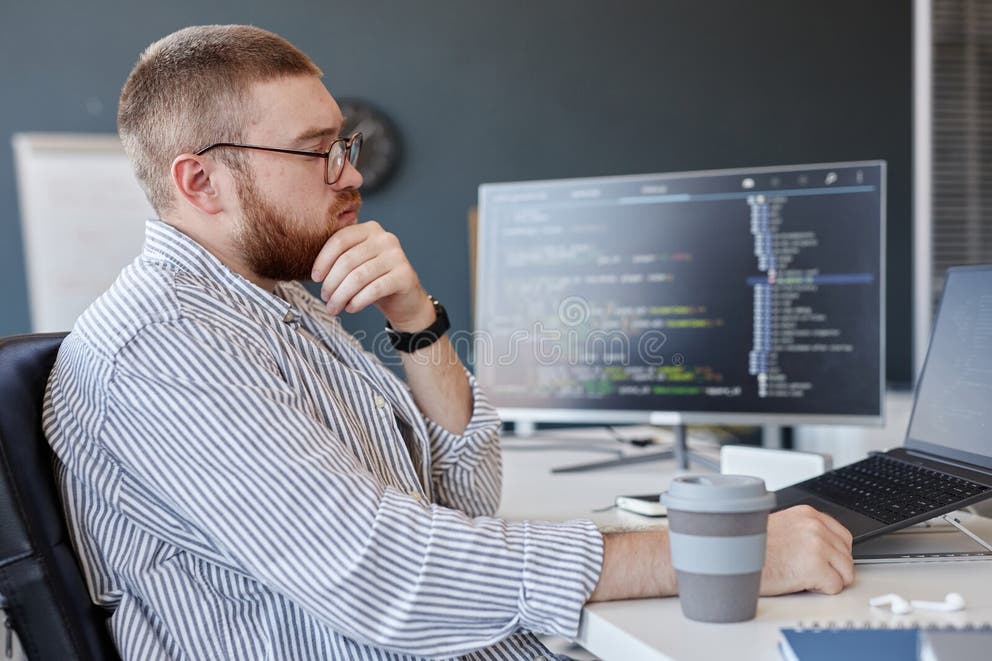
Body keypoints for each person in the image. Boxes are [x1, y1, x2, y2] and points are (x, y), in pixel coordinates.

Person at [44, 24, 855, 661]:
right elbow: (393, 576)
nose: (350, 175)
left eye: (345, 145)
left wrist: (416, 319)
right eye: (315, 151)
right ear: (200, 182)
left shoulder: (278, 303)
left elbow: (464, 499)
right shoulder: (166, 346)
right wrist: (714, 553)